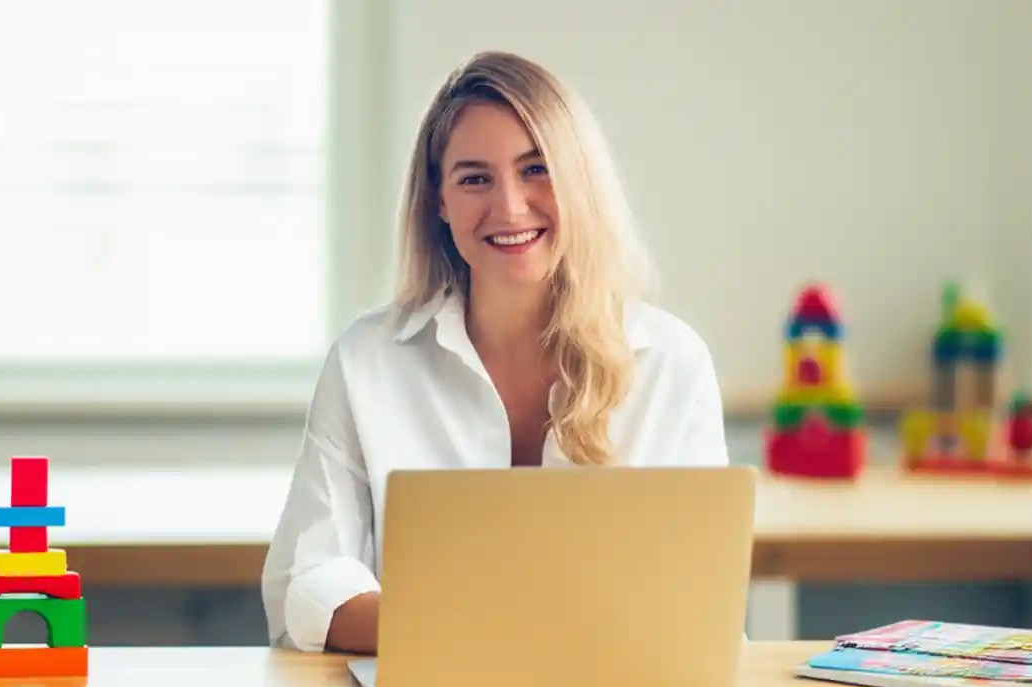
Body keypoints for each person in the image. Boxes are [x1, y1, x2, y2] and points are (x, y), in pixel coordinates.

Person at [261, 50, 730, 654]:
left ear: (578, 183)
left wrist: (478, 627)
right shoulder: (366, 361)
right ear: (439, 200)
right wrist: (487, 637)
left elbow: (698, 600)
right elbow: (308, 583)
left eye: (536, 169)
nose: (509, 207)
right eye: (475, 178)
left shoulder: (671, 362)